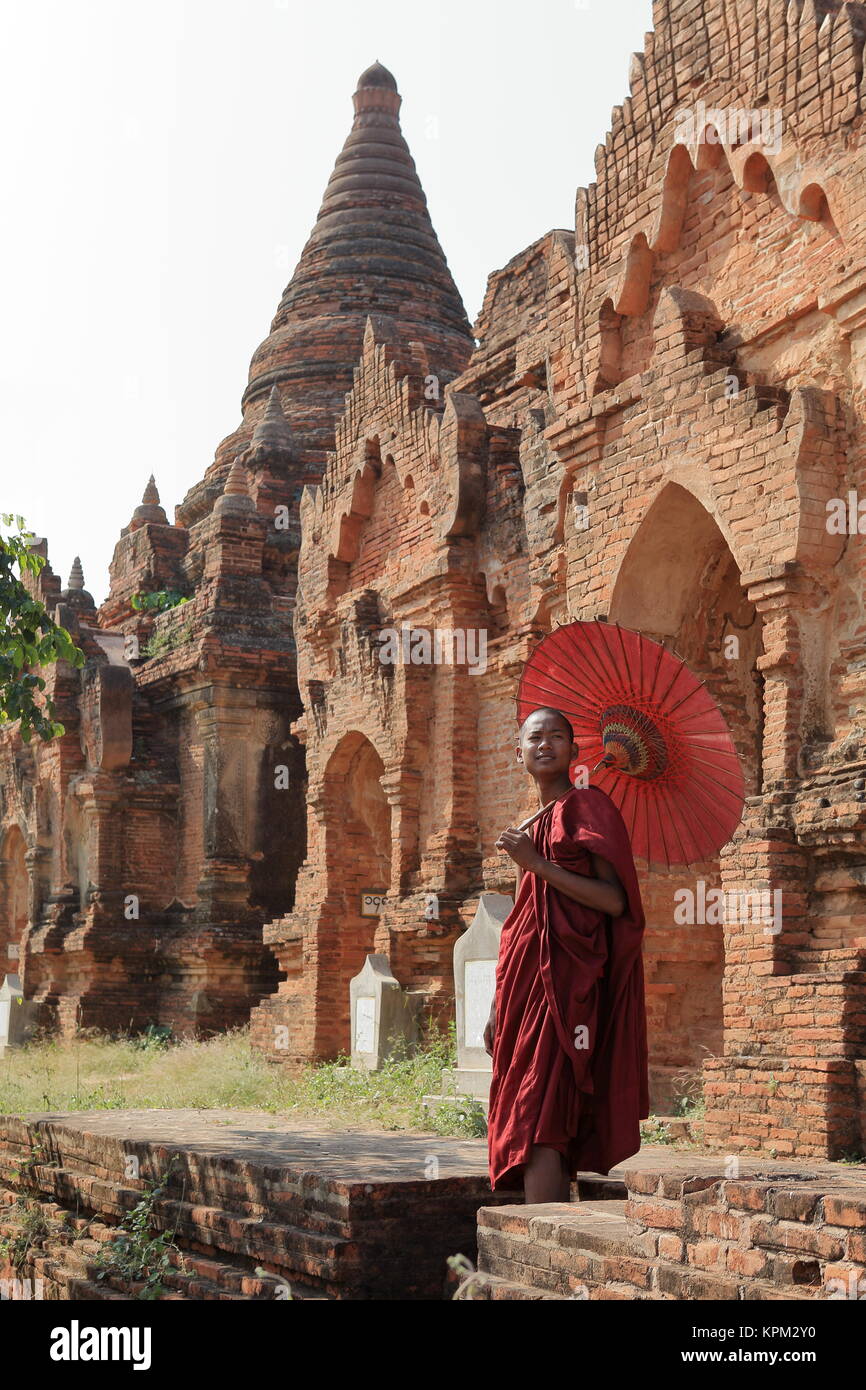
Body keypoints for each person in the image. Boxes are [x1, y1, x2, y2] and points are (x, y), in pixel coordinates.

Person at [484, 706, 649, 1203]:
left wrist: (535, 863)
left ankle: (544, 1237)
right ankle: (554, 1228)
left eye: (558, 737)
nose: (546, 745)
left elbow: (614, 899)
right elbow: (521, 923)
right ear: (519, 753)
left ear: (575, 753)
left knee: (543, 1106)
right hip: (526, 984)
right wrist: (497, 1004)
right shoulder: (532, 824)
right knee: (534, 1103)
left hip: (570, 981)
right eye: (535, 737)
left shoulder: (587, 806)